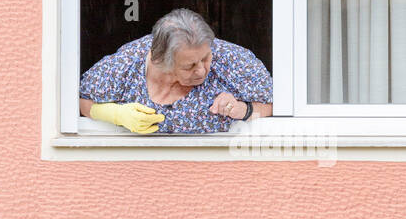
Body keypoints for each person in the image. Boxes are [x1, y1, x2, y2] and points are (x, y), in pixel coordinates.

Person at [78, 8, 273, 135]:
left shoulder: (232, 60)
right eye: (189, 66)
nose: (201, 70)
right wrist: (116, 114)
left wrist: (243, 110)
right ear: (161, 61)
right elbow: (82, 102)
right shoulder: (128, 63)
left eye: (206, 58)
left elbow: (275, 105)